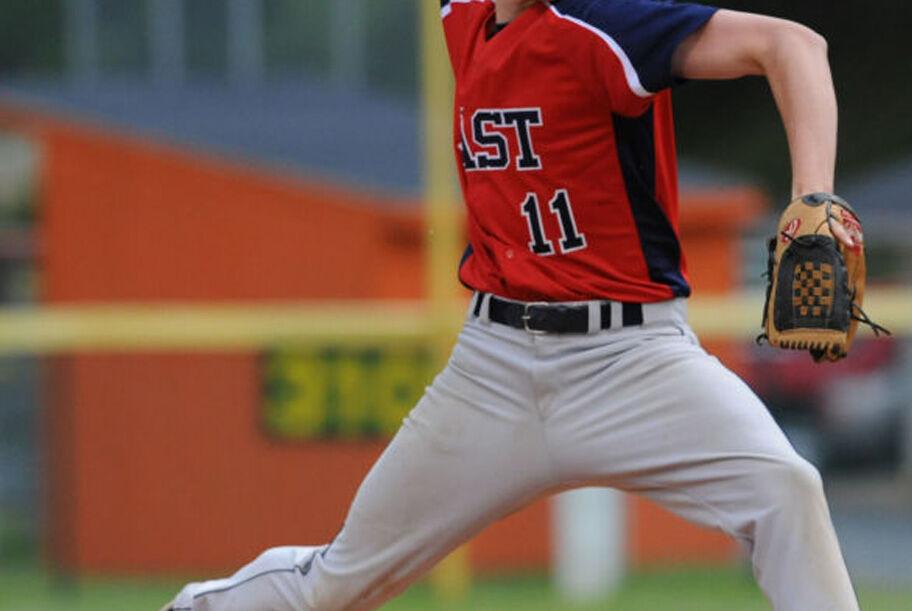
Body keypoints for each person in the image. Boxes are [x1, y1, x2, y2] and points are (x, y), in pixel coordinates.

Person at [164, 0, 860, 609]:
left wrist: (812, 196)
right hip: (491, 368)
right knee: (340, 583)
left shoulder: (607, 25)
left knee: (785, 491)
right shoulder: (463, 17)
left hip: (632, 362)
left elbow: (790, 44)